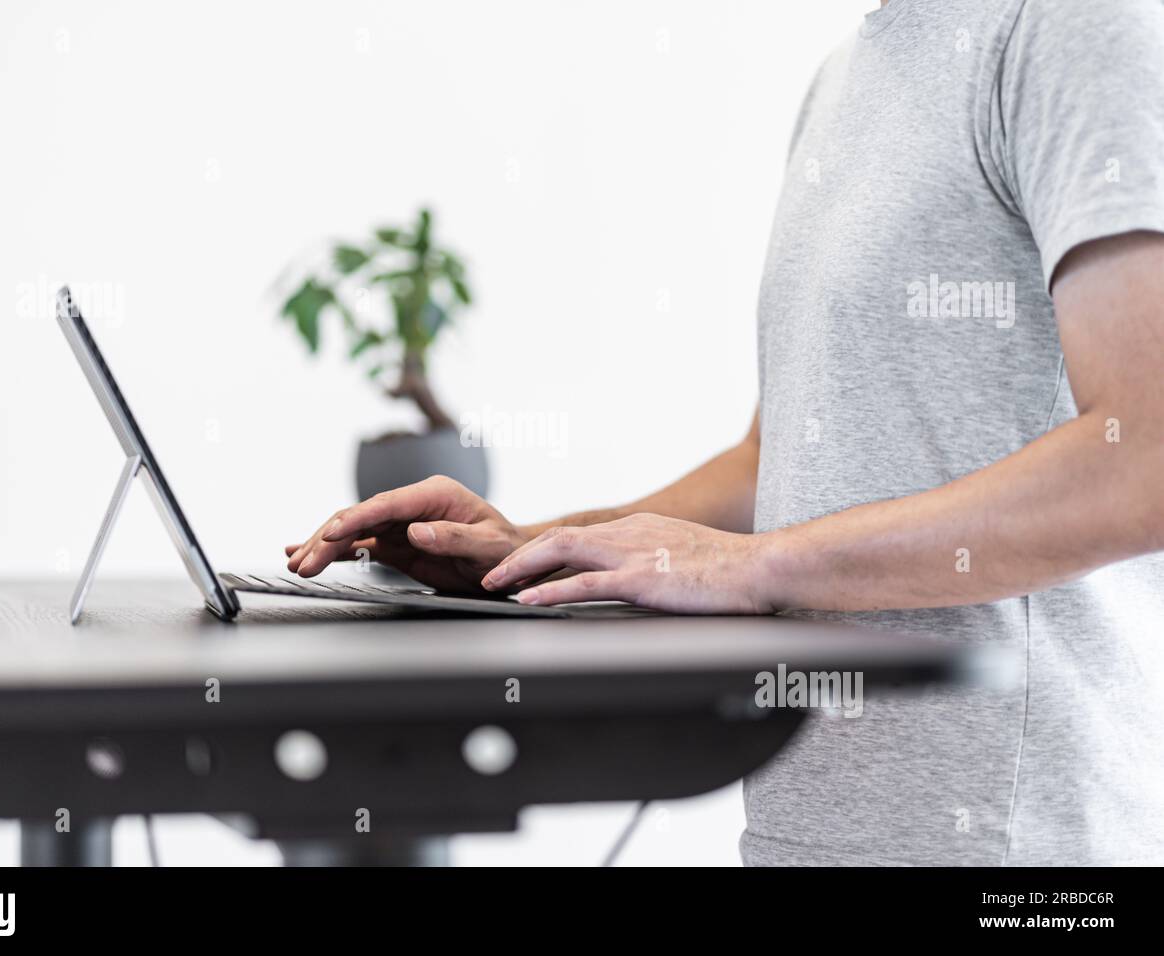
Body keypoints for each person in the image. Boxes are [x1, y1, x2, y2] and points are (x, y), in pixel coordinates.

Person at [286, 0, 1164, 865]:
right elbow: (772, 459)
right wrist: (537, 550)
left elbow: (1145, 457)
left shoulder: (1069, 22)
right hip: (815, 832)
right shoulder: (845, 79)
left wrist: (757, 568)